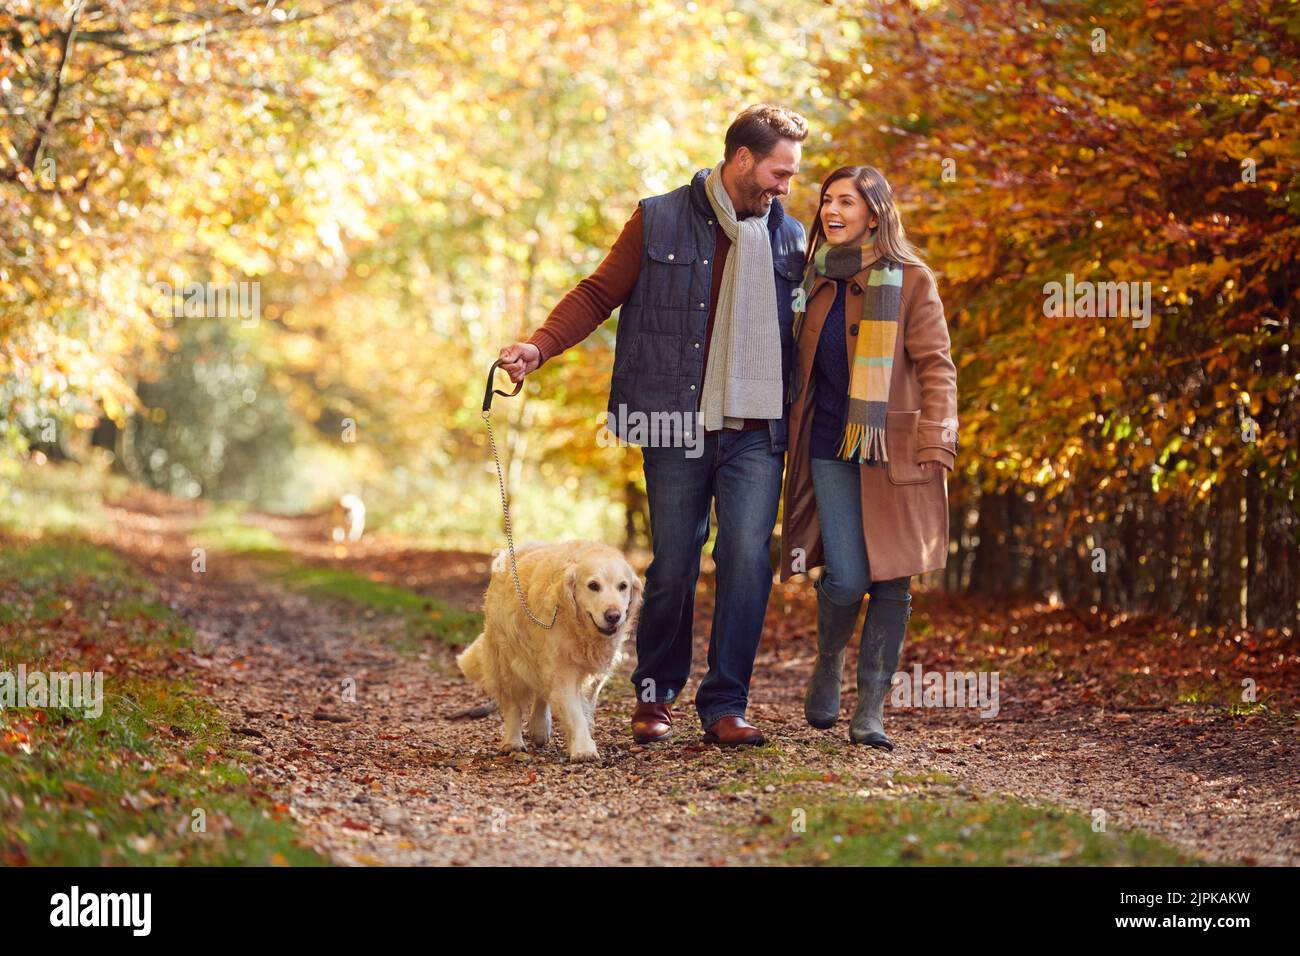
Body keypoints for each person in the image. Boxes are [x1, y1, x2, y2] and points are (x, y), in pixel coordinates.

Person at [497, 104, 808, 747]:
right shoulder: (658, 217)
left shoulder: (790, 238)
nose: (785, 188)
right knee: (673, 564)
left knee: (747, 558)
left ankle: (726, 704)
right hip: (674, 420)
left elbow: (822, 319)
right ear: (742, 160)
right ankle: (655, 694)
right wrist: (539, 347)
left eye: (792, 177)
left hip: (757, 425)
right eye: (779, 173)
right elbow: (596, 293)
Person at [779, 165, 958, 750]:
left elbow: (936, 366)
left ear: (874, 213)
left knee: (893, 583)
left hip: (896, 450)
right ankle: (828, 660)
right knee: (848, 576)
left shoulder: (911, 280)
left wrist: (939, 435)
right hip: (831, 445)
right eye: (827, 200)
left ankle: (871, 710)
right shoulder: (812, 278)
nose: (832, 211)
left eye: (847, 203)